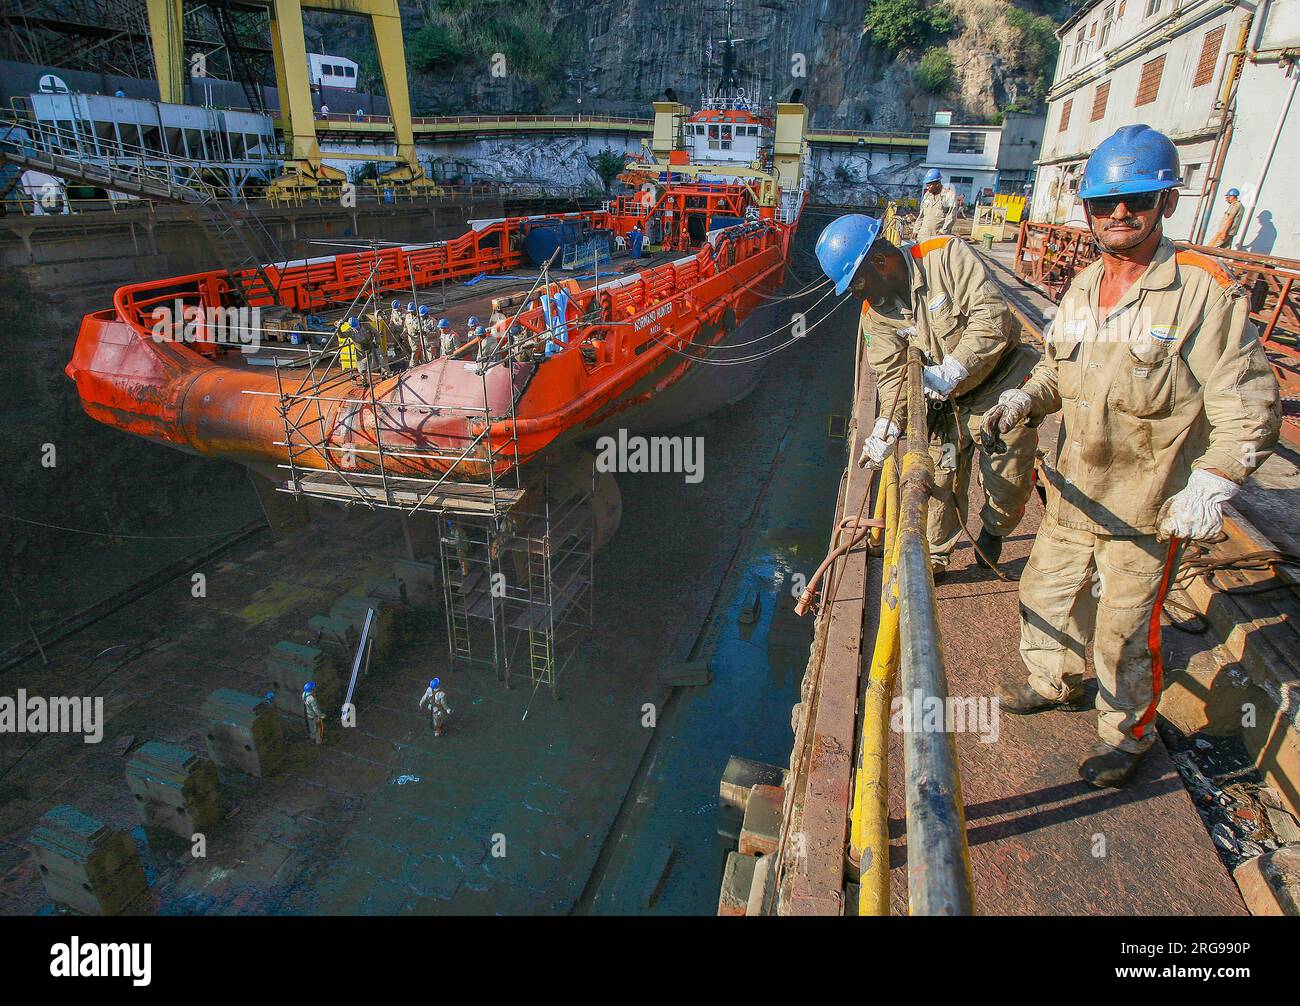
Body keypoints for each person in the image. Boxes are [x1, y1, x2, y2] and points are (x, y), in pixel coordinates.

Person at [981, 125, 1281, 788]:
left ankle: (1127, 736)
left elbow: (1250, 408)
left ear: (1166, 202)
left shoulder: (1201, 294)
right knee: (1043, 596)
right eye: (1106, 203)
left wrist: (1213, 481)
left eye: (1138, 200)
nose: (1121, 214)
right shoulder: (1086, 287)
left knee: (1123, 634)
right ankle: (1053, 681)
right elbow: (1059, 372)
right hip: (1074, 491)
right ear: (1088, 210)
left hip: (1146, 509)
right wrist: (1022, 402)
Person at [815, 213, 1040, 579]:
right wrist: (888, 423)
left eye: (857, 284)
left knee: (1008, 482)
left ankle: (995, 531)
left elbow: (992, 316)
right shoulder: (876, 314)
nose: (857, 294)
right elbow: (890, 376)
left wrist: (955, 367)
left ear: (879, 261)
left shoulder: (945, 256)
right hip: (943, 405)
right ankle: (935, 556)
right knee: (938, 480)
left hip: (1001, 385)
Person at [915, 168, 956, 240]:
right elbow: (921, 215)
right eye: (927, 185)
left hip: (938, 236)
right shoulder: (927, 195)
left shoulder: (948, 195)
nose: (928, 188)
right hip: (923, 235)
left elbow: (951, 217)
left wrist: (942, 232)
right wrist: (916, 230)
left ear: (937, 184)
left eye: (930, 185)